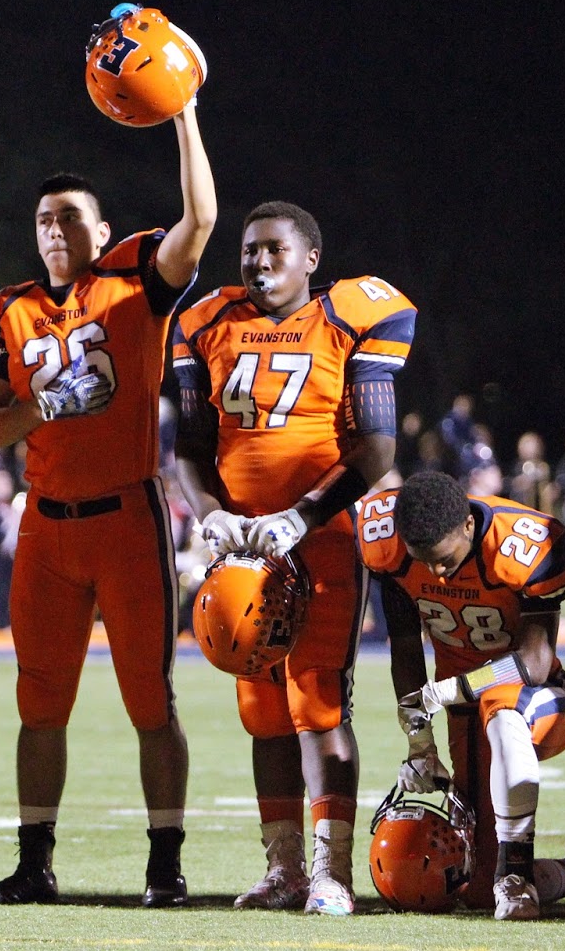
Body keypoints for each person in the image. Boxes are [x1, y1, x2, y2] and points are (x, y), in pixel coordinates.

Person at [0, 102, 214, 907]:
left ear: (103, 231)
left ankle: (164, 864)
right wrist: (37, 409)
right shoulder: (10, 308)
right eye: (43, 220)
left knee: (151, 699)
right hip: (45, 522)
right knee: (39, 704)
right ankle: (35, 863)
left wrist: (184, 115)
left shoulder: (134, 282)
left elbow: (201, 218)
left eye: (71, 217)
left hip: (126, 516)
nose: (54, 230)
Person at [174, 200, 416, 915]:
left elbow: (375, 451)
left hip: (321, 541)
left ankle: (329, 870)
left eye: (275, 249)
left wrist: (302, 516)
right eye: (249, 249)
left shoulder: (349, 317)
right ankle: (282, 867)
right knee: (261, 708)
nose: (259, 261)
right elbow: (191, 445)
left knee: (318, 702)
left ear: (311, 258)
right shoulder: (206, 323)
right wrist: (211, 514)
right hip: (243, 546)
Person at [360, 471, 565, 920]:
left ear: (466, 526)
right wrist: (419, 743)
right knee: (479, 889)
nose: (437, 574)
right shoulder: (391, 547)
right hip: (464, 710)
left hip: (539, 696)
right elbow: (404, 647)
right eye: (424, 561)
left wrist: (451, 689)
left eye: (444, 559)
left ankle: (517, 877)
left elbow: (533, 662)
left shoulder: (523, 544)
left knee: (504, 712)